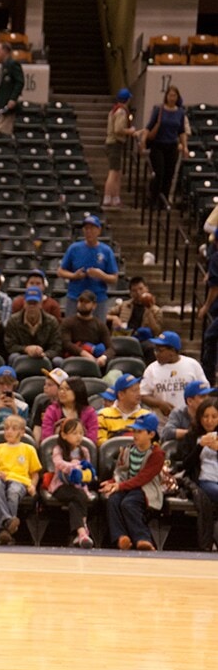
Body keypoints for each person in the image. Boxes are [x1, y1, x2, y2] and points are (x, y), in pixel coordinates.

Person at [100, 412, 165, 550]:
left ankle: (142, 538)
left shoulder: (157, 454)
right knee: (113, 500)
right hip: (127, 486)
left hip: (146, 489)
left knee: (129, 503)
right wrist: (112, 482)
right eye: (134, 431)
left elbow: (143, 478)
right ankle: (121, 537)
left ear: (151, 435)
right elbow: (121, 471)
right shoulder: (128, 450)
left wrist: (120, 486)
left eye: (140, 431)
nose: (135, 435)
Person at [0, 413, 41, 544]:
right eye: (6, 428)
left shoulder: (29, 449)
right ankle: (8, 520)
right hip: (0, 478)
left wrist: (33, 485)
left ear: (22, 432)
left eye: (14, 428)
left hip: (19, 481)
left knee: (13, 492)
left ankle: (3, 528)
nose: (9, 431)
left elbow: (35, 473)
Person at [176, 395, 218, 550]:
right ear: (199, 417)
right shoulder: (192, 436)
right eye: (206, 416)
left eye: (214, 416)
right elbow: (185, 464)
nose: (209, 421)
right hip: (204, 480)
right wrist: (199, 446)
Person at [48, 417, 96, 548]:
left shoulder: (84, 451)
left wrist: (86, 472)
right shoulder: (58, 449)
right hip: (61, 486)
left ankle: (80, 534)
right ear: (64, 435)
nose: (79, 436)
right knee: (78, 496)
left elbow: (87, 468)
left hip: (78, 486)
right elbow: (58, 463)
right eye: (74, 433)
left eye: (81, 433)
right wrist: (73, 466)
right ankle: (84, 530)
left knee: (75, 502)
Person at [58, 217, 119, 321]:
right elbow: (60, 271)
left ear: (99, 230)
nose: (89, 231)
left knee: (97, 331)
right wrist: (74, 276)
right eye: (86, 228)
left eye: (92, 228)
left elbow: (114, 278)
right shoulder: (74, 248)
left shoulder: (106, 251)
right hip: (75, 297)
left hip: (98, 298)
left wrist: (101, 275)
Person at [139, 331, 208, 423]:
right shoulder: (151, 369)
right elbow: (143, 395)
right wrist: (159, 404)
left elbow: (205, 392)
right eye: (155, 350)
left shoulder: (192, 365)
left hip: (191, 422)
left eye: (160, 350)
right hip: (161, 424)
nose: (156, 353)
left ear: (172, 351)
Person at [142, 85, 188, 207]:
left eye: (174, 95)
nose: (172, 98)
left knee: (169, 173)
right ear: (166, 96)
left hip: (172, 145)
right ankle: (154, 199)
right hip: (158, 145)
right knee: (159, 172)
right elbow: (149, 126)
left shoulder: (180, 112)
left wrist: (185, 146)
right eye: (170, 95)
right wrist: (142, 141)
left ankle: (164, 199)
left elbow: (181, 131)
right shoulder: (159, 110)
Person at [4, 287, 63, 365]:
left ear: (41, 304)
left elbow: (57, 347)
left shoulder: (52, 322)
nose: (32, 306)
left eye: (35, 303)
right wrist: (26, 349)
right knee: (14, 356)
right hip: (22, 356)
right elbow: (10, 346)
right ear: (24, 304)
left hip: (45, 357)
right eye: (29, 303)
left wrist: (44, 354)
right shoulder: (13, 321)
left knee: (58, 361)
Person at [60, 290, 113, 370]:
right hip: (72, 358)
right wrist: (84, 353)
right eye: (81, 301)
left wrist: (103, 357)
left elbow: (110, 348)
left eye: (87, 302)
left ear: (94, 305)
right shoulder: (67, 322)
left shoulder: (100, 325)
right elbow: (66, 343)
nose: (83, 304)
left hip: (95, 360)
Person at [103, 89, 137, 209]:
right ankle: (108, 197)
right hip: (115, 143)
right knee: (113, 172)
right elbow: (118, 129)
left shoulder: (114, 110)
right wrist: (130, 131)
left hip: (112, 143)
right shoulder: (121, 112)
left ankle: (115, 198)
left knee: (117, 172)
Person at [42, 374, 99, 443]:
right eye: (61, 389)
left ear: (77, 391)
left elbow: (92, 439)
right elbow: (47, 437)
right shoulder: (52, 410)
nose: (62, 392)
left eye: (67, 389)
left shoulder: (90, 413)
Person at [97, 373, 150, 443]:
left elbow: (153, 443)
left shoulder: (146, 416)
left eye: (139, 390)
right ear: (121, 395)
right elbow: (99, 442)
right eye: (134, 390)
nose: (139, 394)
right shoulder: (103, 415)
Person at [197, 229, 218, 384]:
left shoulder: (216, 258)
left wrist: (206, 306)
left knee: (210, 337)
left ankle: (209, 378)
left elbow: (215, 287)